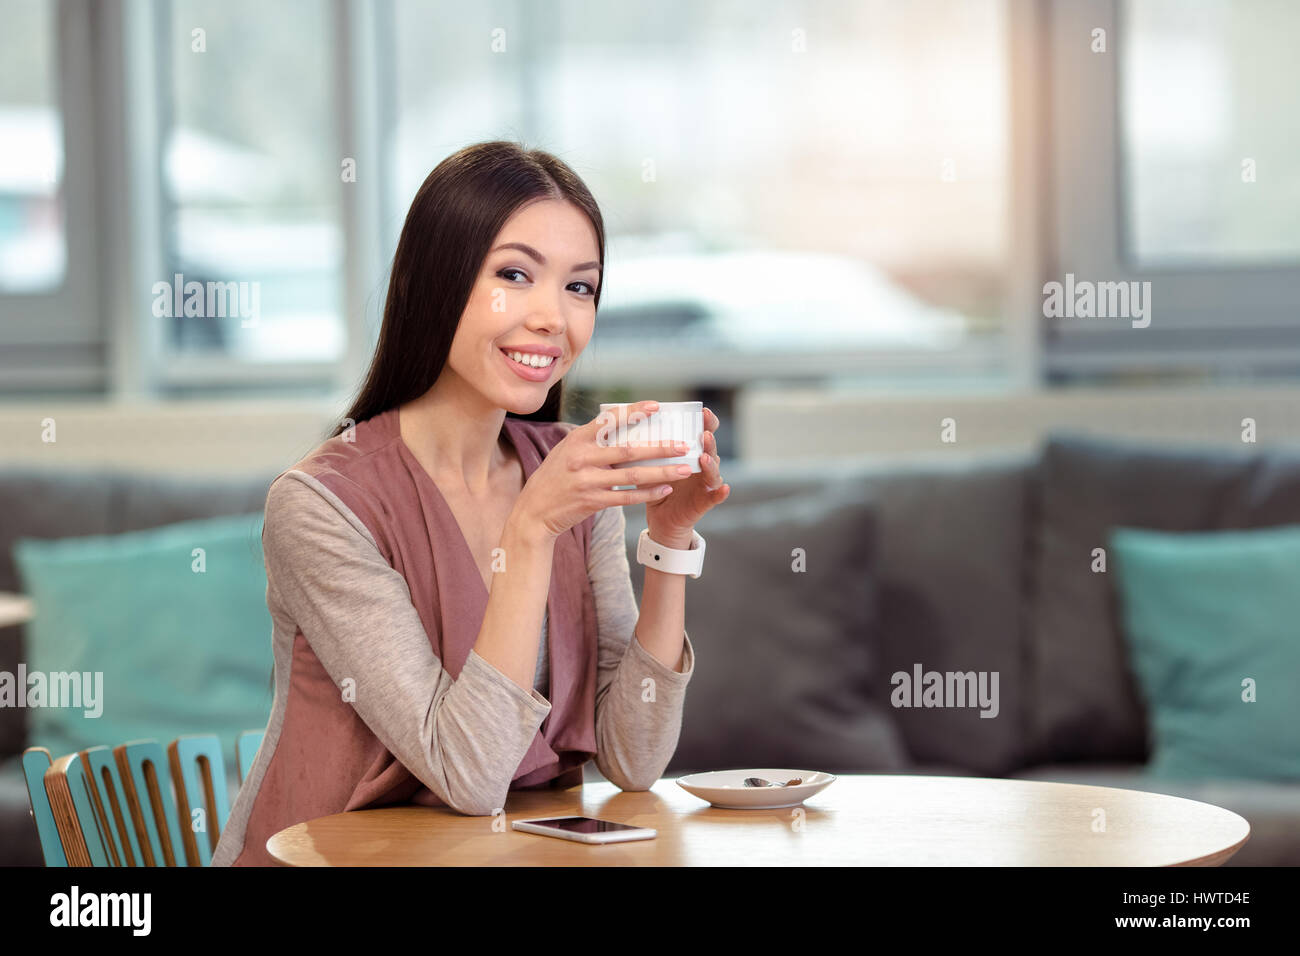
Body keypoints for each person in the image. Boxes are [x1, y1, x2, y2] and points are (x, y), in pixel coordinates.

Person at [212, 141, 729, 865]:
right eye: (514, 276)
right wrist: (531, 531)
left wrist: (670, 542)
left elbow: (633, 757)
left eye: (580, 288)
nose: (554, 317)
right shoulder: (321, 506)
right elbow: (469, 774)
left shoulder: (567, 474)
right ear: (435, 282)